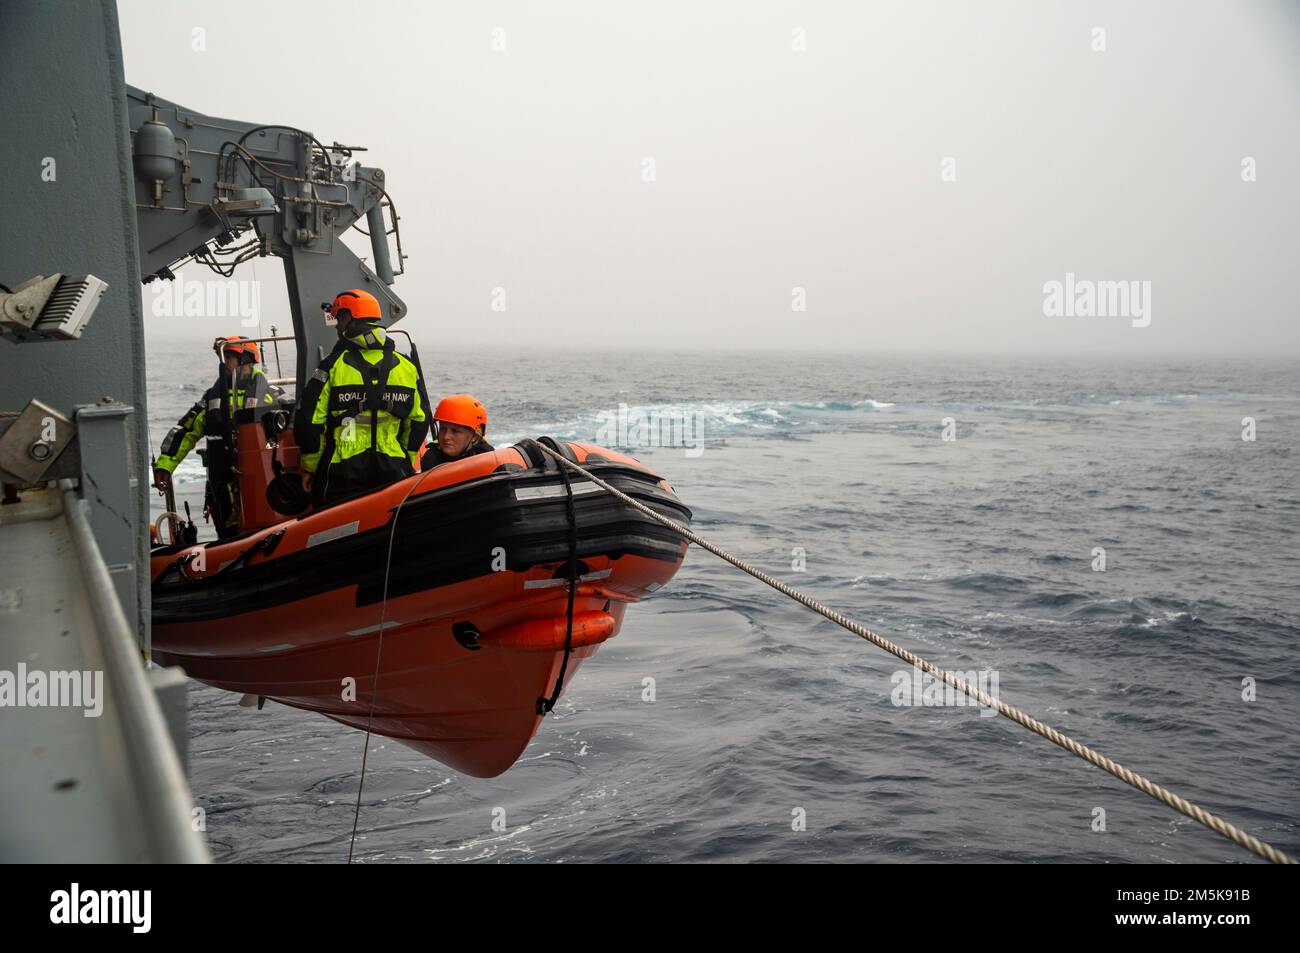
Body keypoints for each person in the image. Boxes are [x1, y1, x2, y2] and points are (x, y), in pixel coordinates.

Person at [297, 288, 429, 506]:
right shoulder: (407, 367)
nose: (337, 325)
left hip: (342, 469)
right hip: (394, 466)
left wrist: (311, 467)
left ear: (350, 318)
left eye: (339, 318)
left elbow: (310, 422)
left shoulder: (332, 366)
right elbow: (419, 421)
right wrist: (405, 455)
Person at [153, 336, 275, 539]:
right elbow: (185, 431)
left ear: (245, 359)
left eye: (229, 357)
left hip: (261, 482)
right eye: (224, 357)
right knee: (227, 532)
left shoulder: (271, 395)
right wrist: (165, 465)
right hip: (223, 483)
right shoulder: (212, 399)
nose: (225, 363)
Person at [420, 394, 494, 469]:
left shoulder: (488, 457)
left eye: (455, 431)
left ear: (474, 436)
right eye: (443, 429)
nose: (446, 437)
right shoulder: (431, 460)